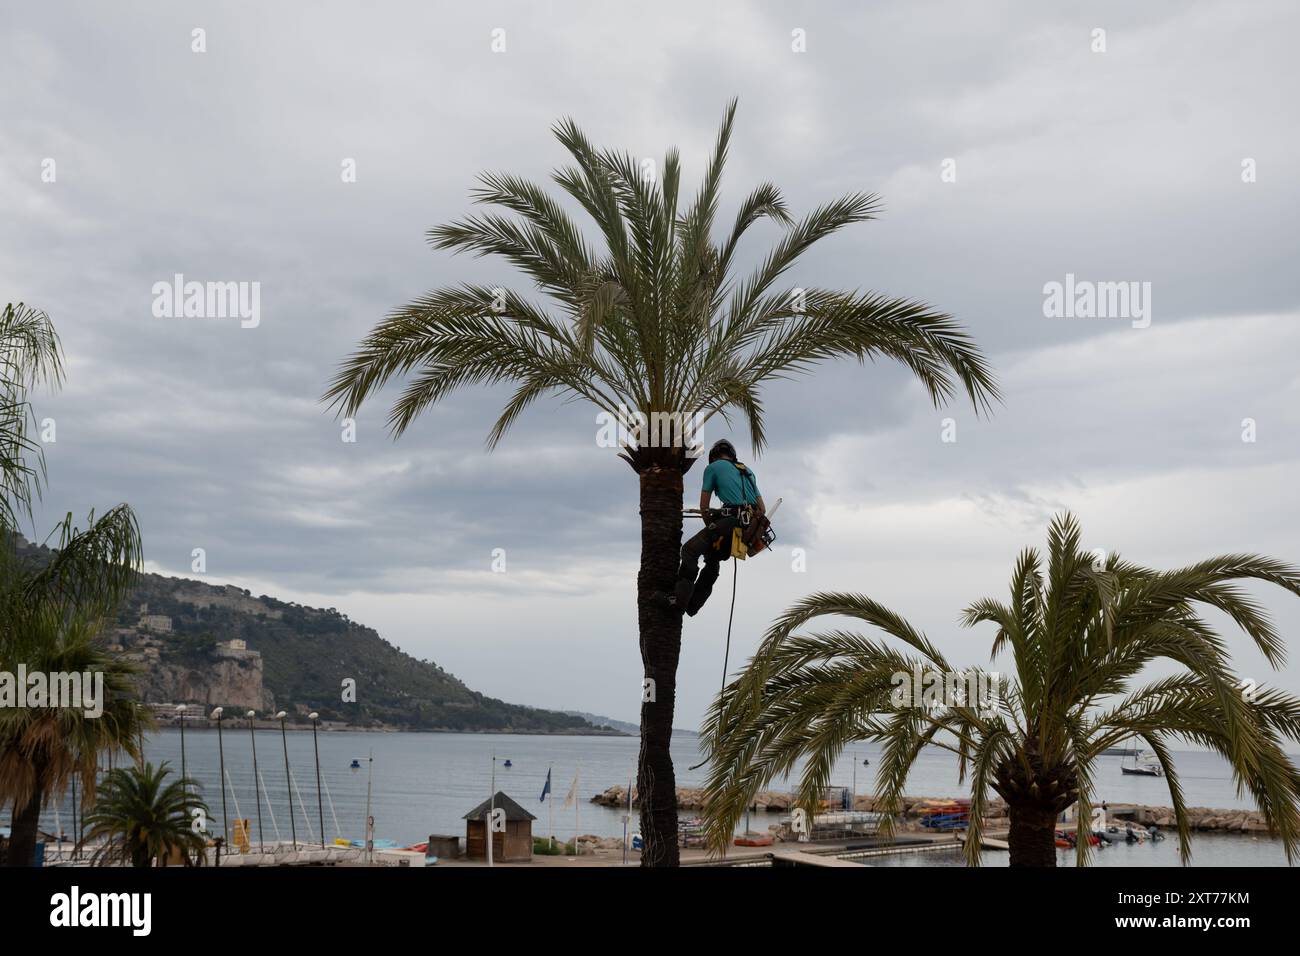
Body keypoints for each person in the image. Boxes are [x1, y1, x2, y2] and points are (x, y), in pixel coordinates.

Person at [655, 439, 766, 617]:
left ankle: (677, 599)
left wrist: (712, 525)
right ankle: (693, 605)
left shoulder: (713, 468)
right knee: (712, 560)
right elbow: (762, 509)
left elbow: (704, 507)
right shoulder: (748, 471)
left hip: (729, 524)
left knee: (690, 551)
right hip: (745, 530)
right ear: (732, 455)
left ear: (713, 457)